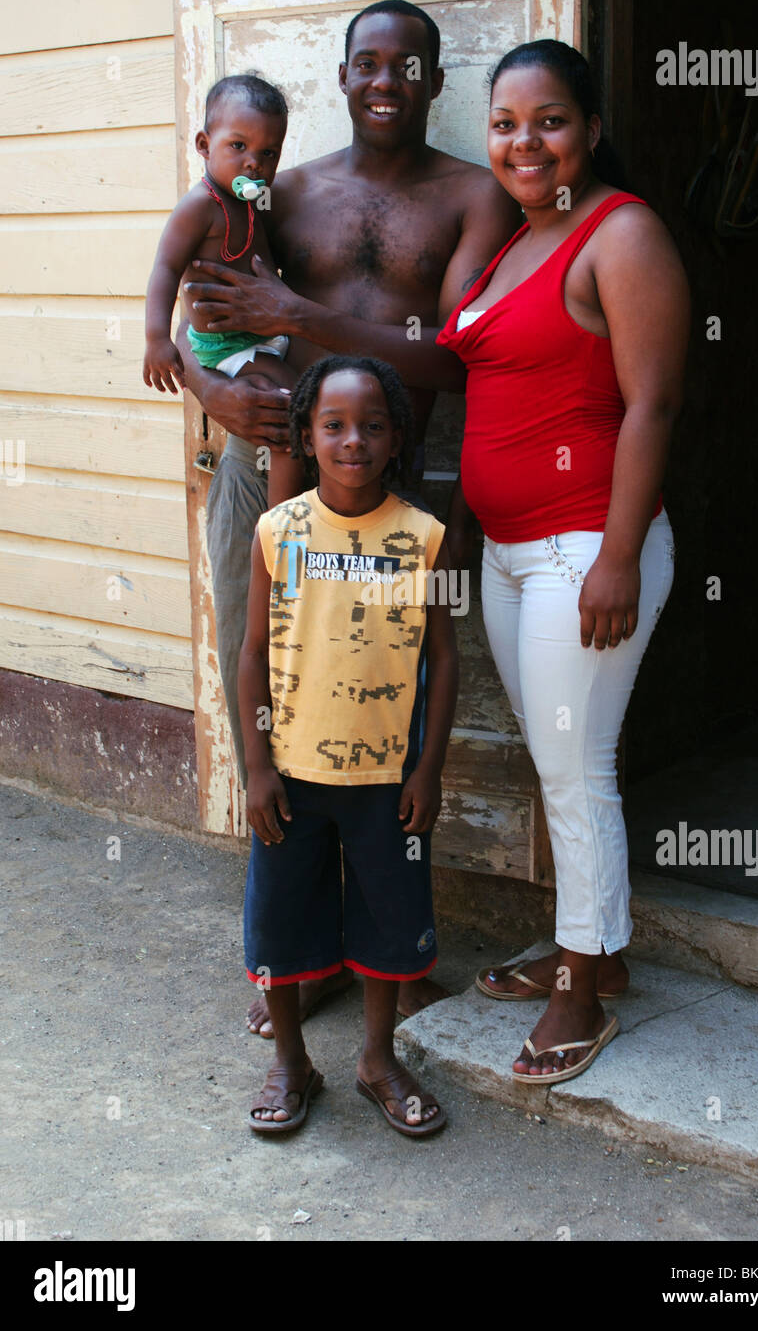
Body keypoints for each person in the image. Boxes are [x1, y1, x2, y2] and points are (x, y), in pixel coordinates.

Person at [179, 0, 520, 1028]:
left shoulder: (472, 199)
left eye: (407, 67)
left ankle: (385, 946)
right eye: (367, 65)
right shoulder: (278, 190)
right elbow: (196, 302)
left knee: (391, 698)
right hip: (268, 471)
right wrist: (213, 396)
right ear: (339, 76)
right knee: (273, 685)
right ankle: (293, 955)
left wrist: (299, 317)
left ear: (432, 80)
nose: (385, 82)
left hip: (394, 488)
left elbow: (456, 359)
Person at [437, 40, 690, 1083]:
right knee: (561, 766)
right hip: (508, 556)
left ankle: (580, 995)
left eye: (547, 120)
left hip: (584, 546)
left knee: (574, 768)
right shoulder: (516, 240)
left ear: (587, 128)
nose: (522, 140)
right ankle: (592, 947)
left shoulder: (617, 232)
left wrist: (617, 556)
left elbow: (652, 402)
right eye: (503, 123)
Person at [239, 356, 458, 1134]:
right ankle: (291, 1063)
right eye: (332, 425)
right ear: (307, 435)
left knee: (388, 922)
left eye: (371, 425)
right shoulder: (280, 530)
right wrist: (257, 766)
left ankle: (376, 1058)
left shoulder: (421, 536)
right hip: (292, 775)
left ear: (395, 439)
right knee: (278, 922)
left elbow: (441, 659)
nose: (352, 440)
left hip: (384, 777)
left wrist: (427, 768)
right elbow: (252, 653)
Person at [143, 73, 303, 510]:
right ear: (203, 144)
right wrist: (157, 338)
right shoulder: (200, 205)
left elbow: (263, 263)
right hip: (227, 343)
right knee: (293, 406)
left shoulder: (250, 203)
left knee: (306, 402)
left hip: (260, 336)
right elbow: (164, 269)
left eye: (268, 153)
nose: (254, 162)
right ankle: (282, 522)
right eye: (239, 147)